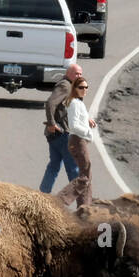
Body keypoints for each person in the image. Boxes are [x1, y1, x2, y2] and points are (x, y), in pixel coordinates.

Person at [40, 63, 82, 193]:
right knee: (73, 167)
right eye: (76, 73)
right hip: (62, 135)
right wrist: (52, 123)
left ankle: (43, 193)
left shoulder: (71, 86)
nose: (79, 76)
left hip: (57, 135)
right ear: (68, 73)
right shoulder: (65, 86)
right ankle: (79, 197)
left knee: (54, 165)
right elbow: (50, 103)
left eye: (80, 74)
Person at [56, 76, 96, 208]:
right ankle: (61, 200)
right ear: (75, 89)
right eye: (81, 87)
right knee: (85, 176)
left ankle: (85, 207)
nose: (84, 90)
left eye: (86, 87)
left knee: (87, 175)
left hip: (80, 140)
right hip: (77, 140)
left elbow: (80, 119)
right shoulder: (73, 103)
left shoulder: (78, 103)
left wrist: (87, 120)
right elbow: (73, 126)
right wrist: (88, 133)